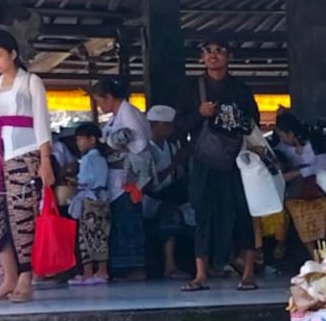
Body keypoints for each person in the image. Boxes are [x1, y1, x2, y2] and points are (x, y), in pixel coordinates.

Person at [0, 28, 53, 303]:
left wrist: (45, 160)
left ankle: (26, 277)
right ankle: (8, 276)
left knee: (23, 217)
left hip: (26, 153)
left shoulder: (31, 81)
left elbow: (42, 122)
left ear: (13, 54)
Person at [175, 38, 259, 292]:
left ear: (228, 56)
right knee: (203, 213)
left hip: (236, 162)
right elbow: (178, 126)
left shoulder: (240, 89)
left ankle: (248, 272)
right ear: (201, 58)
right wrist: (199, 114)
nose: (213, 56)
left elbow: (253, 123)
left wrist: (234, 117)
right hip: (204, 161)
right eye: (207, 51)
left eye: (219, 51)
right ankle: (201, 274)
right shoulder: (191, 89)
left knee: (242, 213)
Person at [90, 78, 149, 281]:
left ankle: (134, 267)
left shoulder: (129, 114)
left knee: (128, 221)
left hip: (127, 175)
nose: (100, 106)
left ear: (109, 97)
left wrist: (114, 145)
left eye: (100, 101)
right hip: (115, 176)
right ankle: (124, 267)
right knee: (120, 220)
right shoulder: (116, 117)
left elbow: (139, 144)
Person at [272, 110, 326, 255]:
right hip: (295, 193)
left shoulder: (314, 143)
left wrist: (299, 172)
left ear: (291, 133)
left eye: (283, 135)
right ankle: (314, 253)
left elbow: (325, 166)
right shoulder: (280, 149)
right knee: (300, 213)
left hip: (319, 189)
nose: (281, 139)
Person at [144, 105, 194, 280]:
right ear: (153, 125)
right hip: (150, 199)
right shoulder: (144, 149)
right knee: (169, 214)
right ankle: (169, 265)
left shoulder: (171, 147)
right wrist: (174, 163)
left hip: (171, 194)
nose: (170, 130)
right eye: (166, 126)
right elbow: (148, 183)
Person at [67, 122, 110, 286]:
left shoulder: (88, 159)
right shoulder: (100, 158)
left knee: (90, 235)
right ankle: (97, 270)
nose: (78, 143)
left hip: (91, 200)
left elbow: (85, 180)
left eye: (80, 139)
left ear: (92, 139)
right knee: (97, 235)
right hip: (100, 199)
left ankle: (93, 271)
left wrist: (74, 180)